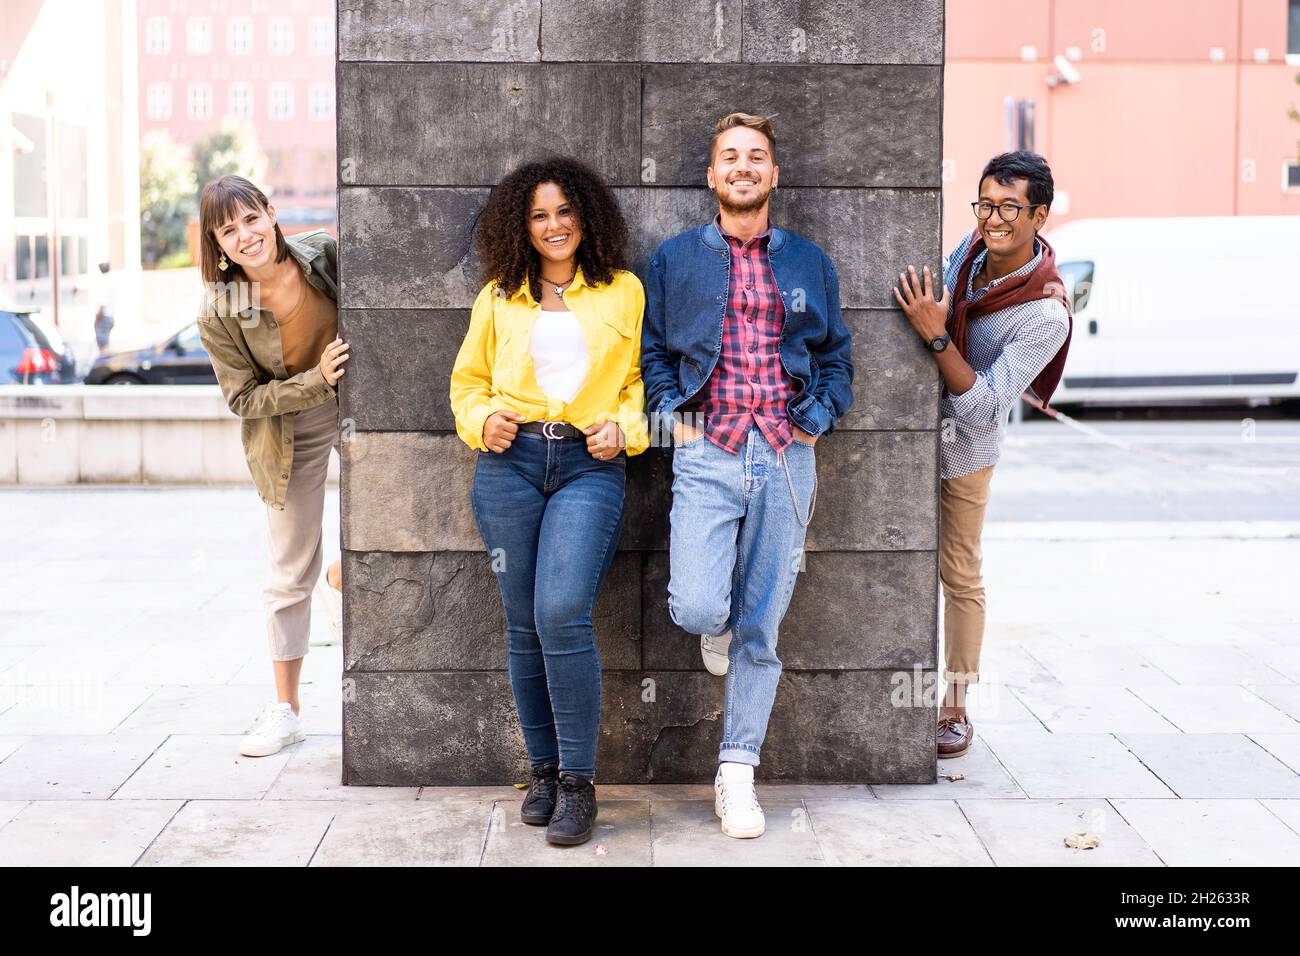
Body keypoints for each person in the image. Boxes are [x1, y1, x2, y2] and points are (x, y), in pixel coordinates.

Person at [640, 113, 854, 839]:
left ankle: (737, 772)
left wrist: (815, 417)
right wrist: (675, 416)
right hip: (709, 452)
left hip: (787, 455)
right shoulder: (674, 259)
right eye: (729, 156)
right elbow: (654, 356)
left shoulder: (809, 262)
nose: (742, 166)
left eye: (755, 156)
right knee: (699, 608)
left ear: (773, 175)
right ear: (711, 176)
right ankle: (716, 624)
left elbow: (836, 358)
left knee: (762, 628)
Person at [450, 157, 649, 847]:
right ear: (522, 226)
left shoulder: (622, 291)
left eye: (565, 211)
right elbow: (467, 383)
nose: (554, 224)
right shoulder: (499, 297)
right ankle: (539, 771)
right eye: (539, 215)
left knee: (562, 612)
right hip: (510, 463)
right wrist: (483, 422)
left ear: (585, 217)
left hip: (588, 468)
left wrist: (625, 430)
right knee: (521, 622)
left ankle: (578, 783)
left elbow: (639, 385)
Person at [893, 150, 1072, 759]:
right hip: (911, 438)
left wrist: (937, 334)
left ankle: (955, 704)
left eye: (1009, 209)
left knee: (960, 574)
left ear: (1038, 215)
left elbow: (983, 406)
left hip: (966, 454)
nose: (993, 220)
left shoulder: (1045, 312)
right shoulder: (969, 253)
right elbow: (934, 293)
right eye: (985, 205)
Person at [195, 175, 351, 758]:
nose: (245, 236)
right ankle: (285, 710)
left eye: (250, 219)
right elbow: (243, 400)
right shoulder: (221, 307)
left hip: (359, 408)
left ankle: (345, 573)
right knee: (289, 571)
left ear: (271, 212)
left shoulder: (323, 253)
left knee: (395, 522)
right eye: (228, 231)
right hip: (290, 430)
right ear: (218, 243)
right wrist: (312, 382)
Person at [94, 262, 116, 355]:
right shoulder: (112, 281)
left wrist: (98, 317)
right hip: (110, 316)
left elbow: (102, 304)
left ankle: (105, 367)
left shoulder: (104, 282)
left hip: (104, 317)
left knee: (103, 347)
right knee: (105, 344)